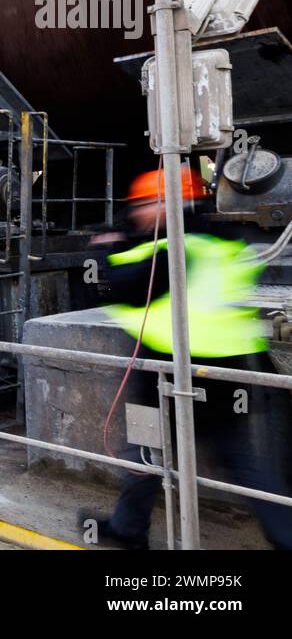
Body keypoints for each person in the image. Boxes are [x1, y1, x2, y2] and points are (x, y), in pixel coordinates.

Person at [82, 167, 292, 549]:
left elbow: (113, 287)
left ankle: (128, 532)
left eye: (146, 205)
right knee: (239, 459)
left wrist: (102, 250)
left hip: (172, 369)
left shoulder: (175, 247)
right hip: (227, 368)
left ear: (167, 204)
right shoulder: (220, 240)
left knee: (147, 451)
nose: (139, 213)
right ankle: (285, 535)